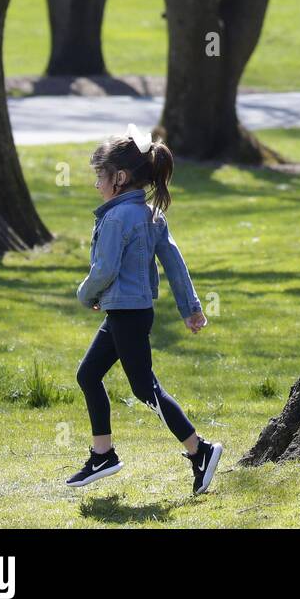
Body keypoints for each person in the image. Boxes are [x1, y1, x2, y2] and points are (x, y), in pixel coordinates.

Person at [66, 125, 223, 496]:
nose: (96, 184)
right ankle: (102, 455)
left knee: (145, 388)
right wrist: (191, 308)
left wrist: (84, 294)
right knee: (89, 375)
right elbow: (175, 263)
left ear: (119, 178)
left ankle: (200, 450)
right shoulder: (150, 214)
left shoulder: (118, 217)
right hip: (129, 313)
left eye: (99, 176)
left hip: (126, 313)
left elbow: (104, 270)